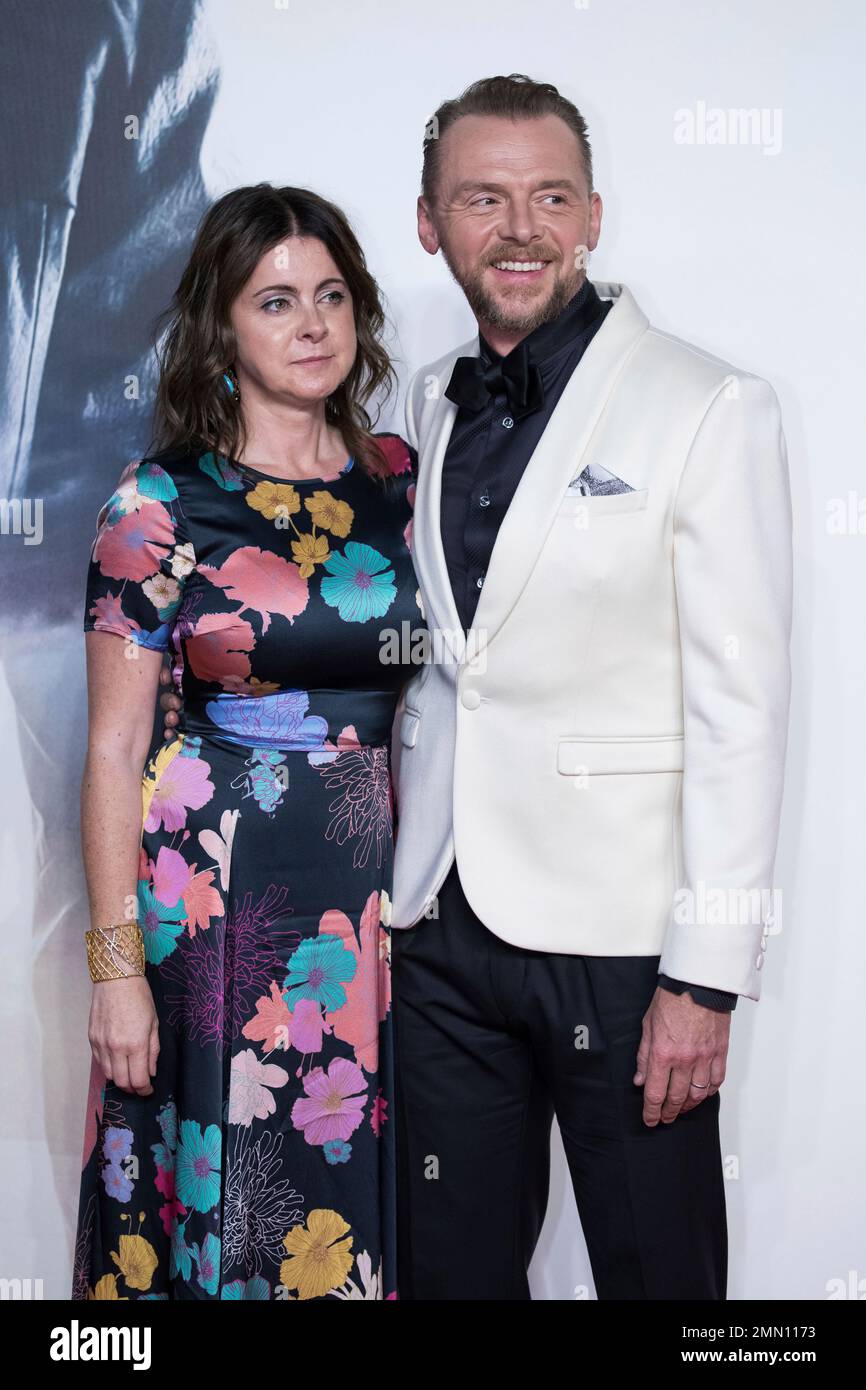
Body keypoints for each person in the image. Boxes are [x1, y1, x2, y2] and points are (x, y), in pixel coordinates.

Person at [388, 75, 792, 1299]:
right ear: (428, 224)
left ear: (594, 213)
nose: (520, 227)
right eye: (482, 198)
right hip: (440, 925)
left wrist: (703, 973)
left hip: (624, 946)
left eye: (549, 195)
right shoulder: (422, 402)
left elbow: (743, 703)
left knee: (659, 1280)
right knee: (452, 1274)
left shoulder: (707, 403)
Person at [72, 183, 422, 1301]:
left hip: (377, 898)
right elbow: (112, 754)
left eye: (330, 295)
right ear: (222, 327)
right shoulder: (158, 504)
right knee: (223, 1189)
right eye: (275, 301)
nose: (312, 323)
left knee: (356, 1187)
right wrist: (116, 973)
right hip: (214, 902)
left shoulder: (399, 482)